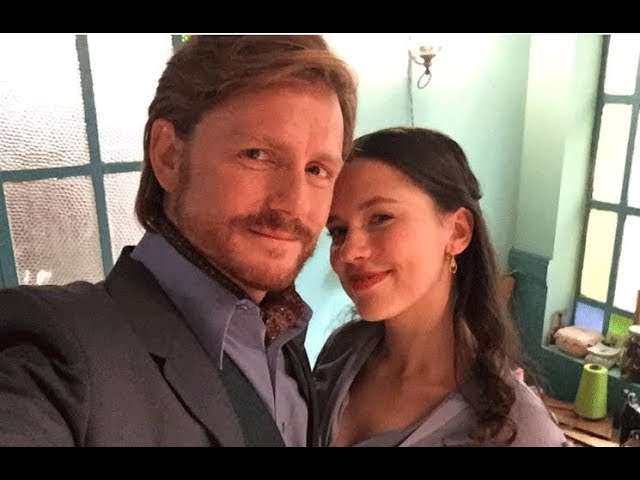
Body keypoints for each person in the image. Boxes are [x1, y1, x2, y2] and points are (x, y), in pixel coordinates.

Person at [0, 35, 357, 447]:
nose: (293, 204)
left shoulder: (283, 339)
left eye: (317, 170)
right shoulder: (57, 351)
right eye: (257, 155)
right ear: (168, 156)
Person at [314, 126, 570, 447]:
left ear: (457, 232)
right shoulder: (341, 353)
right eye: (338, 231)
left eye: (380, 218)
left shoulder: (515, 429)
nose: (349, 252)